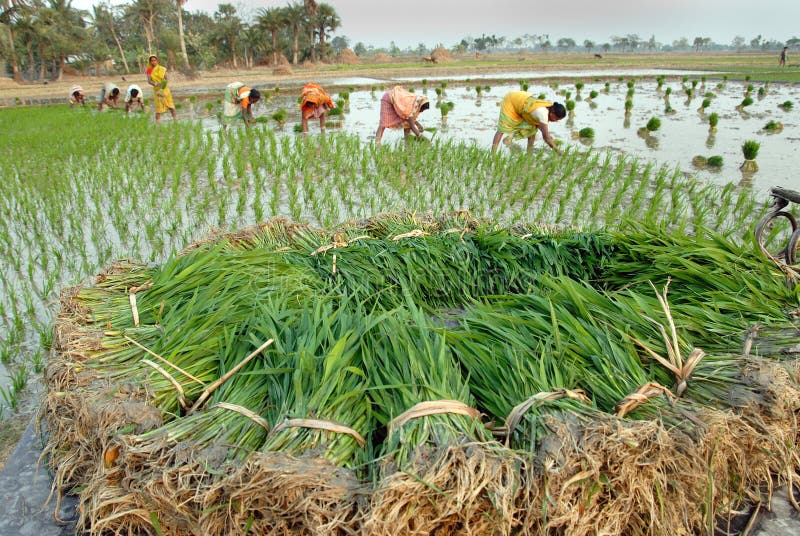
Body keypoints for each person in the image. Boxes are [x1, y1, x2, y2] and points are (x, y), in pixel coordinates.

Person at [491, 91, 566, 154]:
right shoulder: (542, 113)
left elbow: (541, 128)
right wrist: (559, 152)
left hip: (523, 102)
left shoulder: (550, 106)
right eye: (556, 118)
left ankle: (529, 154)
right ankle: (493, 155)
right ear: (552, 113)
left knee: (532, 130)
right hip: (512, 100)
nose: (556, 121)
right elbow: (546, 137)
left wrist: (549, 137)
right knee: (502, 128)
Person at [146, 55, 177, 122]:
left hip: (165, 89)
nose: (153, 62)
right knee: (158, 108)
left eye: (155, 60)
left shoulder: (162, 69)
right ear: (150, 62)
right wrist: (155, 84)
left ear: (157, 61)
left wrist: (162, 85)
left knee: (171, 106)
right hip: (157, 90)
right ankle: (157, 124)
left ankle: (175, 121)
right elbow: (149, 81)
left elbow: (166, 79)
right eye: (152, 60)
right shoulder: (149, 70)